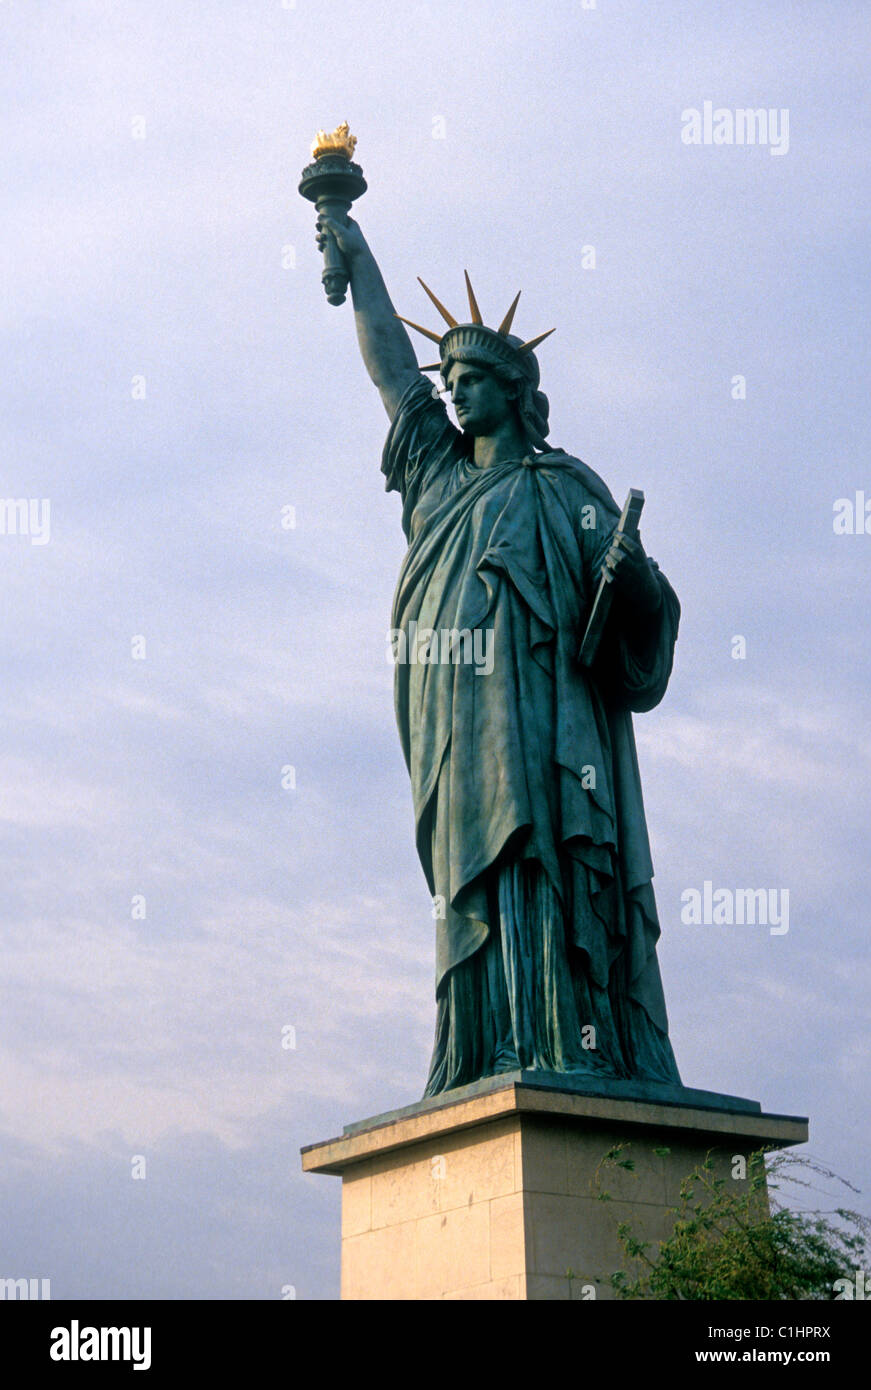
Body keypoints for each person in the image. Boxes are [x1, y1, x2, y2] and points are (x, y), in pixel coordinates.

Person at [317, 212, 682, 1096]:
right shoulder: (438, 477)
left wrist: (629, 582)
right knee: (476, 884)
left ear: (514, 391)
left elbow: (650, 604)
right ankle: (486, 1049)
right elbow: (390, 370)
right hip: (462, 736)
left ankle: (572, 1042)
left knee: (549, 869)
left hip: (556, 735)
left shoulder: (568, 488)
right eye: (451, 376)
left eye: (473, 377)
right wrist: (356, 252)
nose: (455, 390)